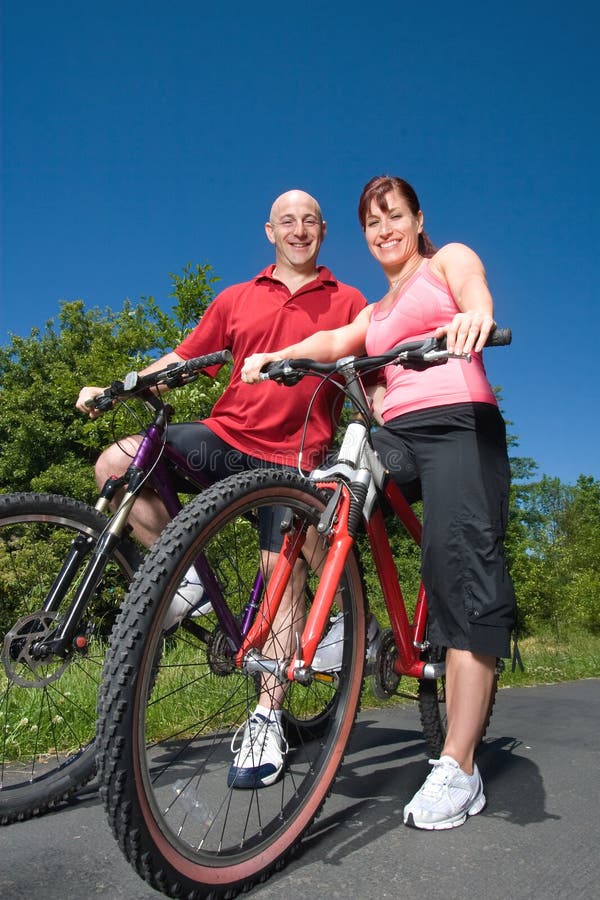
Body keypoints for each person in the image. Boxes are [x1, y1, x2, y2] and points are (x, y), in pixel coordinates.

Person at [241, 175, 517, 829]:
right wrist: (280, 354)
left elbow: (474, 287)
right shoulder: (378, 311)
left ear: (418, 219)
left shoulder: (445, 262)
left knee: (459, 571)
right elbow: (334, 344)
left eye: (393, 216)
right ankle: (335, 629)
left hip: (459, 424)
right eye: (372, 222)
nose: (384, 229)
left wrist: (474, 314)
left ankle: (460, 767)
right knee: (319, 507)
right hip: (398, 435)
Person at [76, 188, 373, 789]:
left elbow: (371, 377)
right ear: (269, 231)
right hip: (224, 437)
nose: (298, 229)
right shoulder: (237, 297)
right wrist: (116, 386)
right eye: (286, 220)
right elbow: (182, 358)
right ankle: (184, 578)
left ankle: (267, 716)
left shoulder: (349, 299)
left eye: (310, 221)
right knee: (118, 463)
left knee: (279, 578)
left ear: (323, 232)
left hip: (293, 461)